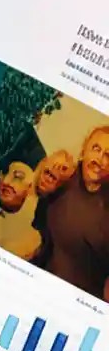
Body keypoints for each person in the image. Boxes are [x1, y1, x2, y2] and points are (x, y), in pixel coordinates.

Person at [36, 126, 109, 298]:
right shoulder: (63, 176)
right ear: (84, 150)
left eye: (108, 155)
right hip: (41, 281)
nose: (99, 159)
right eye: (96, 149)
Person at [0, 161, 42, 259]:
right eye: (4, 173)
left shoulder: (32, 241)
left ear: (31, 188)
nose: (6, 181)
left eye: (18, 177)